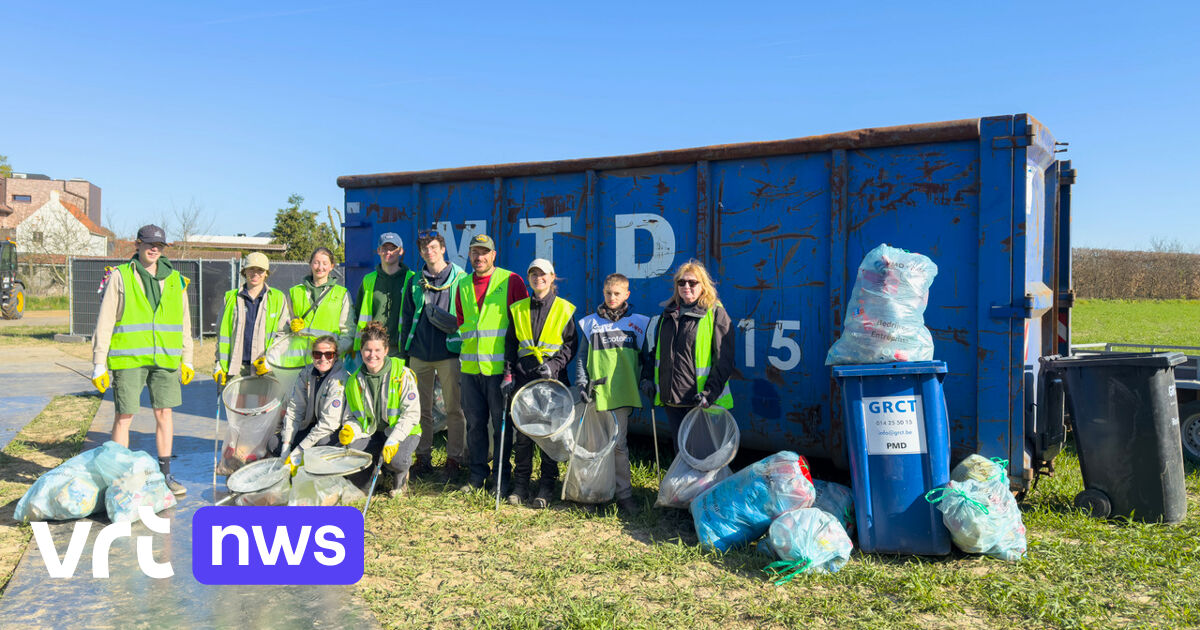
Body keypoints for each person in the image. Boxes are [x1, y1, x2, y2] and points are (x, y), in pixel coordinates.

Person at [90, 224, 195, 496]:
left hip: (165, 358)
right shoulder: (121, 276)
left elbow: (185, 323)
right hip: (129, 358)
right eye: (149, 244)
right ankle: (119, 478)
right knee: (124, 415)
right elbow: (105, 320)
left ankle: (165, 475)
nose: (154, 249)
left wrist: (189, 358)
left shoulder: (176, 280)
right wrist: (99, 362)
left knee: (165, 413)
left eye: (158, 245)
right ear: (137, 244)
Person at [454, 233, 528, 493]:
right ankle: (476, 475)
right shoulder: (462, 284)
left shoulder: (511, 280)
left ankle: (500, 478)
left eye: (484, 252)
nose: (479, 257)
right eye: (475, 252)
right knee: (474, 425)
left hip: (499, 369)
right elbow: (462, 321)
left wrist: (513, 367)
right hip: (470, 368)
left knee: (501, 426)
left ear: (493, 255)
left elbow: (522, 323)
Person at [503, 258, 576, 509]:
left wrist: (554, 366)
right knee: (523, 436)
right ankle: (520, 485)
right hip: (524, 381)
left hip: (552, 382)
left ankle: (546, 486)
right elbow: (511, 344)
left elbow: (570, 346)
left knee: (548, 436)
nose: (538, 278)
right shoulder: (518, 308)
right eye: (533, 274)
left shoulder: (565, 309)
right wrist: (508, 374)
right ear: (529, 278)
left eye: (543, 274)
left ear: (552, 277)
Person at [576, 273, 650, 515]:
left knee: (619, 446)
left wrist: (647, 378)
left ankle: (624, 494)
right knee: (595, 446)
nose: (612, 297)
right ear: (603, 293)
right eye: (608, 293)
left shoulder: (638, 323)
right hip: (597, 393)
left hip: (622, 394)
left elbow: (647, 357)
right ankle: (595, 493)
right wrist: (581, 382)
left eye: (617, 293)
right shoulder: (590, 323)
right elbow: (581, 357)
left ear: (627, 295)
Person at [398, 228, 469, 480]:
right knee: (420, 410)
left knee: (454, 408)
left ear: (443, 249)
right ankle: (423, 457)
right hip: (419, 353)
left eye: (434, 247)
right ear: (420, 253)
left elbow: (468, 316)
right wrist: (405, 351)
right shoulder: (415, 280)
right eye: (425, 249)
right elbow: (407, 317)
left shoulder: (461, 278)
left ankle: (454, 459)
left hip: (449, 352)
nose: (430, 252)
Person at [641, 259, 735, 441]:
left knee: (703, 456)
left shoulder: (715, 313)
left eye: (693, 282)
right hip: (672, 399)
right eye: (681, 282)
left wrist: (709, 394)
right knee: (682, 453)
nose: (687, 286)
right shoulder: (668, 314)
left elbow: (724, 360)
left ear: (703, 286)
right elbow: (657, 351)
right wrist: (646, 377)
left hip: (701, 401)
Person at [338, 321, 421, 498]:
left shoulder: (402, 374)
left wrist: (394, 440)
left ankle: (400, 478)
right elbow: (352, 416)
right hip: (373, 433)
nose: (372, 355)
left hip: (403, 432)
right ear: (361, 351)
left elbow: (412, 415)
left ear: (386, 351)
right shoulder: (353, 381)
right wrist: (350, 429)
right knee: (353, 456)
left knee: (397, 459)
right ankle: (376, 475)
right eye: (368, 350)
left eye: (377, 350)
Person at [213, 252, 291, 384]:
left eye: (260, 270)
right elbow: (221, 334)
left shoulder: (278, 298)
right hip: (235, 368)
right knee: (237, 404)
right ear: (244, 271)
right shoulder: (230, 298)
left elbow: (283, 335)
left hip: (265, 368)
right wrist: (219, 362)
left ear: (266, 273)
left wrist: (269, 360)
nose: (255, 274)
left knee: (263, 404)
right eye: (251, 269)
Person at [275, 335, 348, 473]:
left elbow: (329, 423)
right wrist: (286, 446)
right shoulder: (306, 373)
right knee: (274, 443)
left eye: (329, 354)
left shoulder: (340, 379)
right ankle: (290, 473)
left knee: (317, 448)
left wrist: (299, 449)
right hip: (311, 426)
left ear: (336, 356)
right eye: (317, 354)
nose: (323, 358)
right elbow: (295, 409)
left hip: (331, 431)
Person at [276, 247, 354, 371]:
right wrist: (291, 325)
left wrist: (333, 351)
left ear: (332, 266)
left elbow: (348, 332)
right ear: (310, 264)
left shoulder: (341, 294)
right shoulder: (294, 292)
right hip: (296, 363)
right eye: (316, 262)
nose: (320, 267)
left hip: (327, 362)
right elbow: (282, 329)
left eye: (325, 263)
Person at [353, 232, 415, 360]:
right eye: (384, 248)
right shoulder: (368, 280)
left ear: (401, 251)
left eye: (393, 248)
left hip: (402, 349)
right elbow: (357, 313)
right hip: (374, 350)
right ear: (378, 251)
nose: (388, 252)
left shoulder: (412, 279)